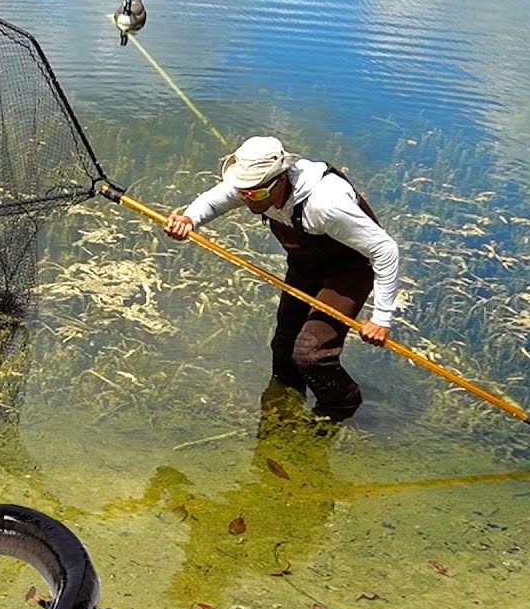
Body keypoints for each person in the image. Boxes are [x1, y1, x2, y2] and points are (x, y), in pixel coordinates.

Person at [164, 136, 400, 422]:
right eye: (243, 193)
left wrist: (381, 318)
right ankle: (283, 409)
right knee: (283, 347)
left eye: (257, 194)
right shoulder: (254, 186)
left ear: (281, 179)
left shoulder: (326, 204)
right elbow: (217, 200)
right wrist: (189, 220)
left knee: (311, 353)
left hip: (347, 272)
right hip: (305, 266)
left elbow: (385, 250)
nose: (248, 200)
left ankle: (341, 409)